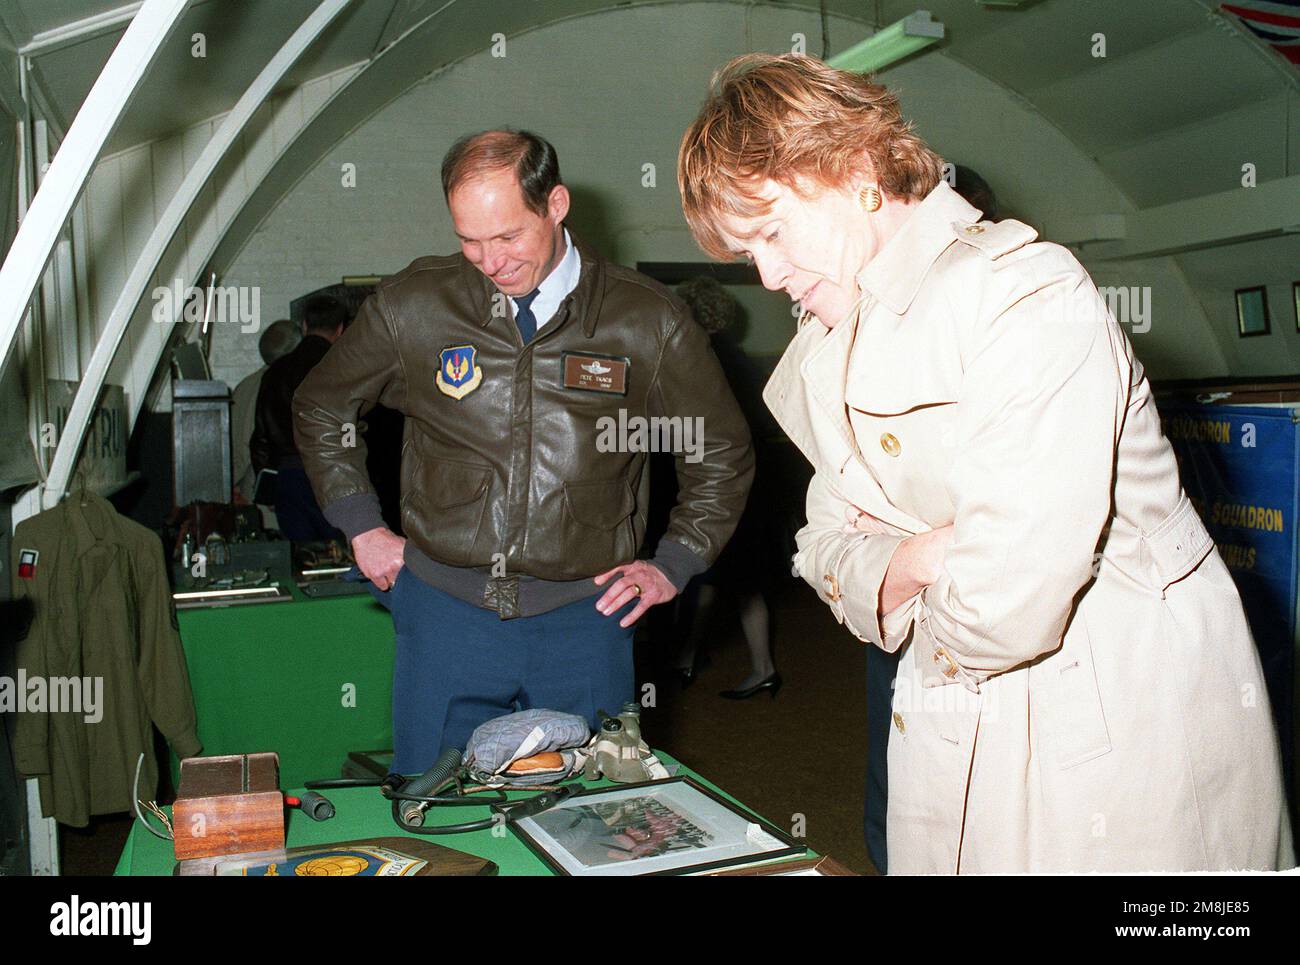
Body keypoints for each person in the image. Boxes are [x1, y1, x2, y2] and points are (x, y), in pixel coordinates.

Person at [677, 53, 1293, 873]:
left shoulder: (1026, 295)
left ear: (856, 168)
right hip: (950, 713)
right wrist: (924, 555)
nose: (766, 273)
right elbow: (819, 547)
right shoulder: (831, 339)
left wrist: (894, 567)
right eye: (745, 251)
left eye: (772, 232)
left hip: (1107, 733)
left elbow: (1004, 601)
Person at [294, 129, 753, 776]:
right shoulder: (416, 304)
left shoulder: (646, 319)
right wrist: (360, 524)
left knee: (596, 812)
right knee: (431, 804)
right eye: (470, 241)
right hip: (445, 614)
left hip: (585, 619)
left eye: (508, 237)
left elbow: (719, 449)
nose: (490, 260)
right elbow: (323, 404)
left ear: (556, 204)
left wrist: (675, 561)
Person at [671, 276, 780, 698]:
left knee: (706, 576)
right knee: (743, 583)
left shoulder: (700, 361)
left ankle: (685, 658)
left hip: (726, 491)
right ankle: (762, 667)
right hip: (754, 487)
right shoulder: (742, 361)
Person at [251, 295, 348, 540]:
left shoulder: (276, 372)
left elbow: (261, 436)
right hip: (334, 474)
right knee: (342, 557)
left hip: (289, 476)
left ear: (304, 325)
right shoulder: (346, 368)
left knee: (301, 558)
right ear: (340, 329)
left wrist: (271, 486)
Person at [231, 318, 300, 502]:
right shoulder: (277, 388)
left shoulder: (245, 386)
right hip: (266, 492)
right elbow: (248, 447)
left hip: (250, 491)